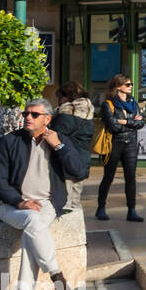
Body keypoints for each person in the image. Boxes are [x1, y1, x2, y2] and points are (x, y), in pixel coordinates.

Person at [0, 98, 84, 290]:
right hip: (12, 206)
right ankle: (56, 273)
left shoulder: (59, 141)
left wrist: (58, 146)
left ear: (47, 119)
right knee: (32, 220)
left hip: (47, 205)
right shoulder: (9, 141)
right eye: (25, 114)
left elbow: (78, 171)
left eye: (34, 114)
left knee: (30, 235)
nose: (28, 118)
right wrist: (19, 202)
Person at [96, 74, 144, 222]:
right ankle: (101, 208)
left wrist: (124, 121)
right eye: (128, 85)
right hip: (113, 143)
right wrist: (131, 122)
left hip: (130, 143)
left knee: (130, 177)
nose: (130, 87)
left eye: (131, 85)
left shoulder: (133, 102)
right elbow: (113, 126)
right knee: (108, 176)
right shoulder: (108, 104)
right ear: (118, 87)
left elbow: (141, 123)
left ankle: (132, 210)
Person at [51, 82, 94, 213]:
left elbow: (55, 136)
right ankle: (78, 231)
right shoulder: (88, 114)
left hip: (67, 161)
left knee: (65, 203)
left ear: (68, 97)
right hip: (81, 161)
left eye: (60, 97)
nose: (59, 100)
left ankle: (68, 231)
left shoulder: (66, 115)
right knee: (75, 202)